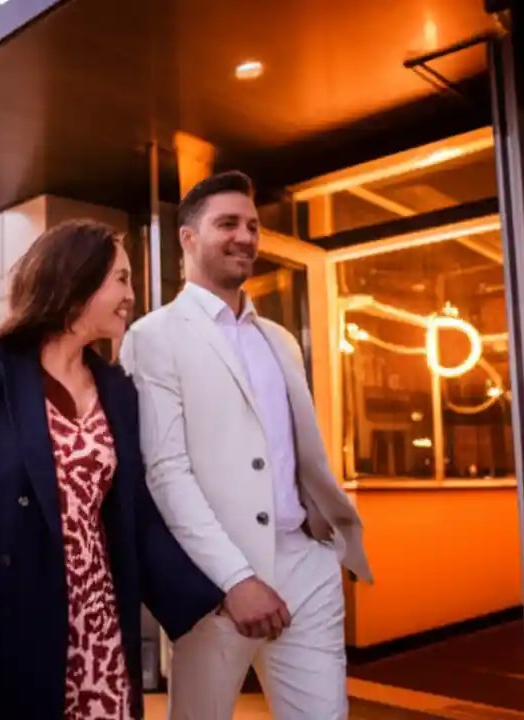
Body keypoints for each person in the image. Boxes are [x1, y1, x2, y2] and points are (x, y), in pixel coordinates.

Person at [0, 220, 223, 720]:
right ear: (77, 282)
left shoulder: (117, 390)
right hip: (11, 627)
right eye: (121, 279)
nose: (131, 295)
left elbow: (133, 516)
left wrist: (219, 596)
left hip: (100, 632)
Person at [119, 171, 374, 720]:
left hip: (306, 567)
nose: (245, 237)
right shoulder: (152, 336)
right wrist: (234, 579)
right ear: (188, 238)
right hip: (216, 581)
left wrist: (323, 555)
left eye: (253, 226)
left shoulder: (278, 338)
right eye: (227, 224)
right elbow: (166, 473)